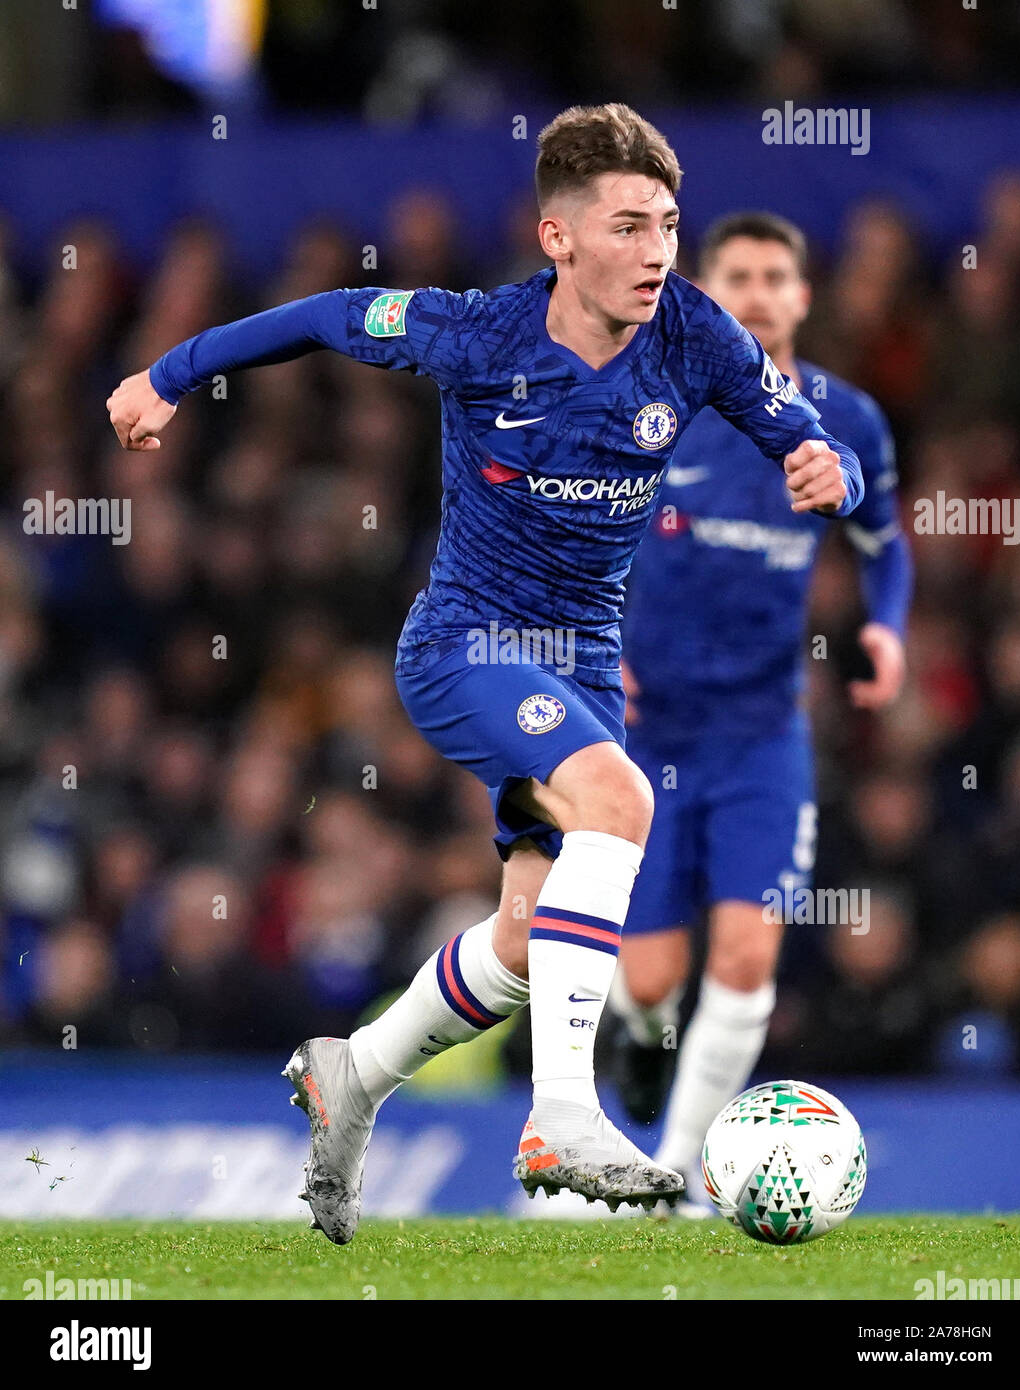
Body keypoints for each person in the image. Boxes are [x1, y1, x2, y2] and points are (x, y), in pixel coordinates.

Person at [106, 107, 863, 1246]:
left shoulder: (696, 337)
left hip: (584, 671)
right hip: (465, 646)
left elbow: (809, 438)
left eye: (666, 221)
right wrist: (170, 372)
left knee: (524, 940)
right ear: (557, 238)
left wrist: (830, 469)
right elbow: (323, 315)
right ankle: (561, 1112)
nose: (657, 248)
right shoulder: (476, 332)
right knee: (622, 800)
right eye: (626, 225)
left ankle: (353, 1071)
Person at [610, 212, 911, 1209]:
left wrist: (887, 629)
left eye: (774, 276)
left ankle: (681, 1174)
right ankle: (639, 1030)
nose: (755, 292)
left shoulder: (843, 416)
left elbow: (881, 539)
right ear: (701, 289)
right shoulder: (644, 399)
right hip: (645, 737)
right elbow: (566, 525)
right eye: (734, 275)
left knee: (744, 954)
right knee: (652, 977)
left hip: (762, 731)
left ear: (801, 295)